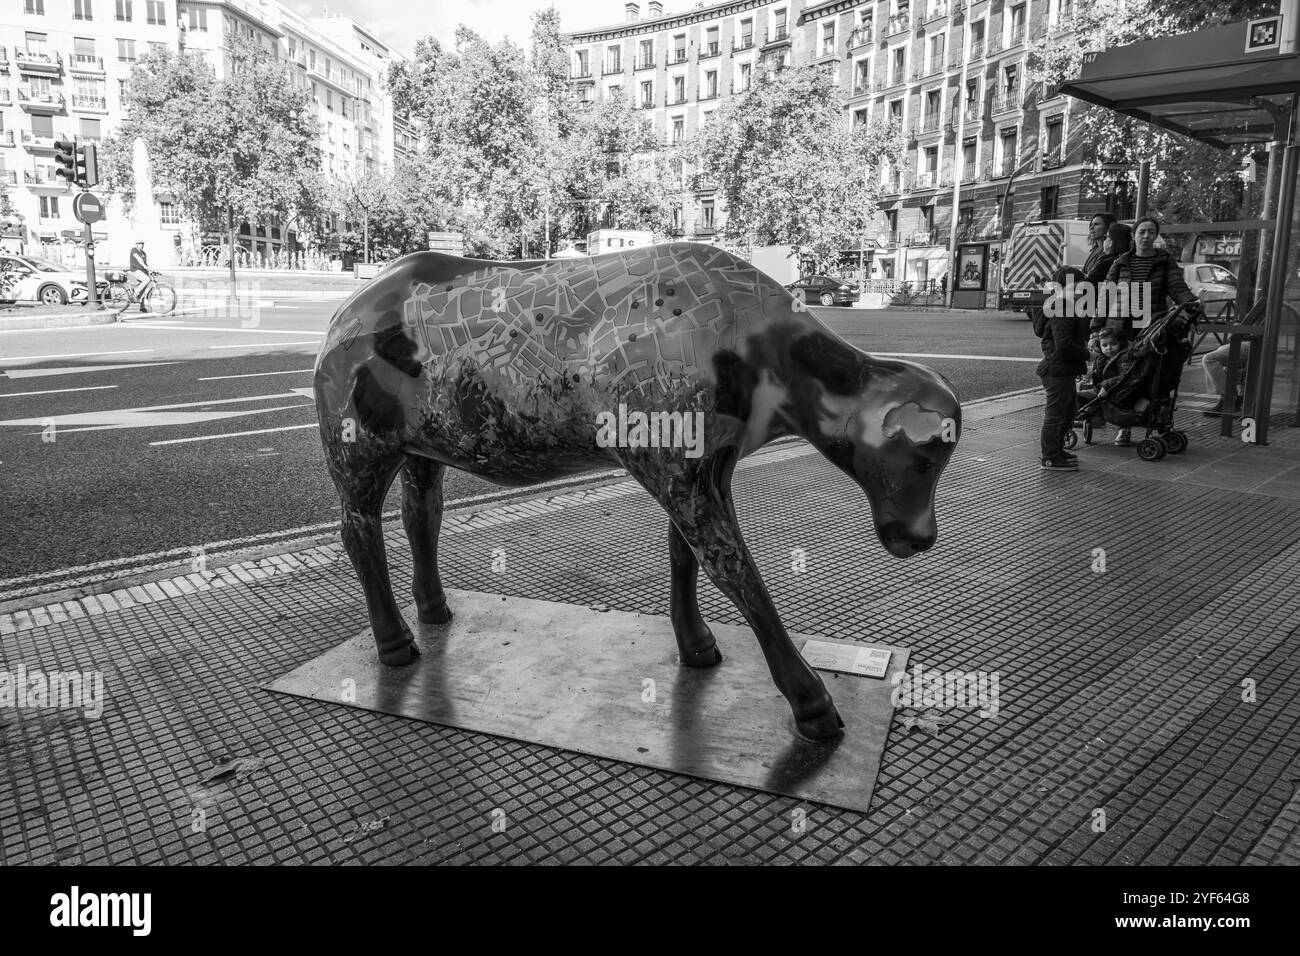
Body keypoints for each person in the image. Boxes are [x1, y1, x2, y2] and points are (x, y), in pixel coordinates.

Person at [1101, 215, 1200, 342]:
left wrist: (1191, 301)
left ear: (1155, 236)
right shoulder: (1120, 262)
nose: (1146, 236)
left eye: (1151, 232)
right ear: (1133, 235)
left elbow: (1177, 286)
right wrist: (1096, 326)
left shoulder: (1164, 260)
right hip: (1121, 325)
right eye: (1142, 232)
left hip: (1152, 325)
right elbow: (1106, 295)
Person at [1035, 280, 1092, 471]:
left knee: (1067, 414)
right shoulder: (1062, 309)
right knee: (1056, 416)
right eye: (1075, 286)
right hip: (1056, 371)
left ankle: (1057, 451)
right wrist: (1088, 354)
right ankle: (1050, 457)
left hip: (1063, 370)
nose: (1081, 290)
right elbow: (1064, 345)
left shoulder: (1063, 307)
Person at [128, 240, 150, 313]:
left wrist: (149, 270)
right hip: (135, 270)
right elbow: (138, 259)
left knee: (143, 289)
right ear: (136, 244)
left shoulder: (143, 253)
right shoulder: (134, 250)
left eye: (142, 244)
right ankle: (134, 294)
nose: (141, 245)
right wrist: (144, 266)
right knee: (146, 280)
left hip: (142, 271)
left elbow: (145, 263)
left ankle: (142, 307)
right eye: (139, 243)